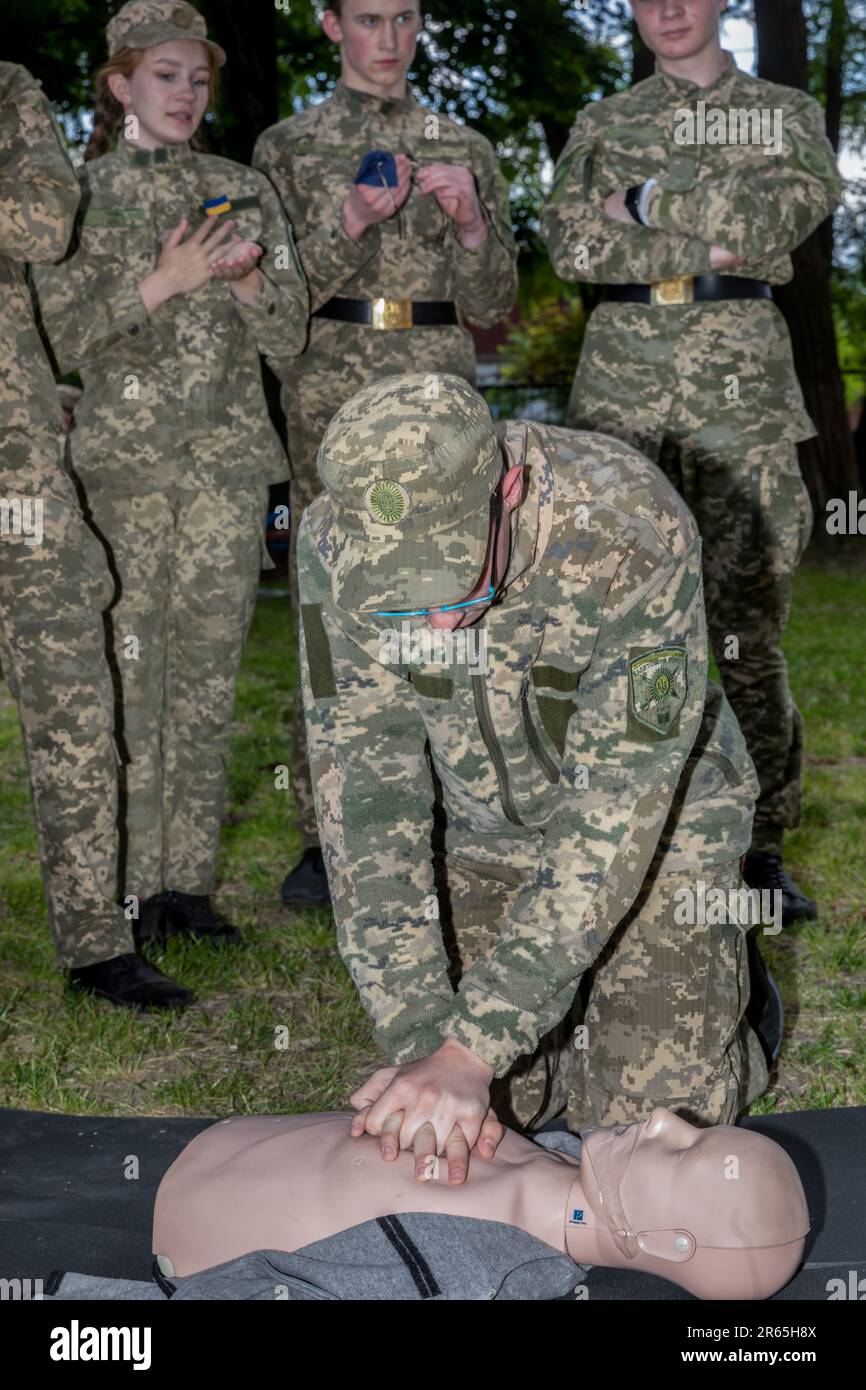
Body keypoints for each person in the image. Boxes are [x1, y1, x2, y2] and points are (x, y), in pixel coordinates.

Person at [296, 371, 771, 1183]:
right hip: (481, 840)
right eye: (402, 600)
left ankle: (734, 1006)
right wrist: (428, 1043)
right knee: (483, 1129)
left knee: (640, 1143)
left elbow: (617, 806)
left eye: (449, 580)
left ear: (507, 487)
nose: (438, 623)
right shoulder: (332, 549)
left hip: (659, 838)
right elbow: (364, 794)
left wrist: (477, 1039)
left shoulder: (630, 524)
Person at [542, 0, 842, 932]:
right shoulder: (603, 121)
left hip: (739, 393)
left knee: (747, 626)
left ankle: (757, 846)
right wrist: (711, 231)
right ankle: (618, 834)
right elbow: (569, 245)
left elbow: (787, 211)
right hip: (620, 391)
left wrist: (641, 203)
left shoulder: (784, 113)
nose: (668, 10)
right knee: (603, 616)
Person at [33, 0, 309, 990]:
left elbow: (291, 335)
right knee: (129, 687)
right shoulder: (77, 192)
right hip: (126, 472)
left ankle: (182, 891)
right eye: (164, 76)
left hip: (231, 468)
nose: (185, 93)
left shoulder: (243, 188)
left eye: (197, 79)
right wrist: (162, 280)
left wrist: (238, 286)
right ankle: (121, 894)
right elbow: (51, 338)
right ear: (119, 85)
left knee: (205, 680)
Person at [252, 0, 518, 908]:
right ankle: (329, 832)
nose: (390, 37)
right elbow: (275, 301)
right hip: (329, 388)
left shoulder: (466, 144)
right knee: (328, 606)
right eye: (369, 18)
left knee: (450, 598)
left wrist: (475, 224)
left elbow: (494, 299)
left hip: (441, 387)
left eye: (405, 17)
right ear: (330, 26)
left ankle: (450, 819)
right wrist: (351, 221)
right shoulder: (286, 148)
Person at [0, 60, 190, 1010]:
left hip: (14, 453)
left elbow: (42, 221)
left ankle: (95, 942)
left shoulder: (8, 89)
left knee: (70, 670)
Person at [44, 1106, 811, 1302]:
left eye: (681, 1151)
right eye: (692, 1128)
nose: (662, 1121)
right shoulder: (564, 1160)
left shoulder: (463, 1267)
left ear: (671, 1243)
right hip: (229, 1146)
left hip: (192, 1224)